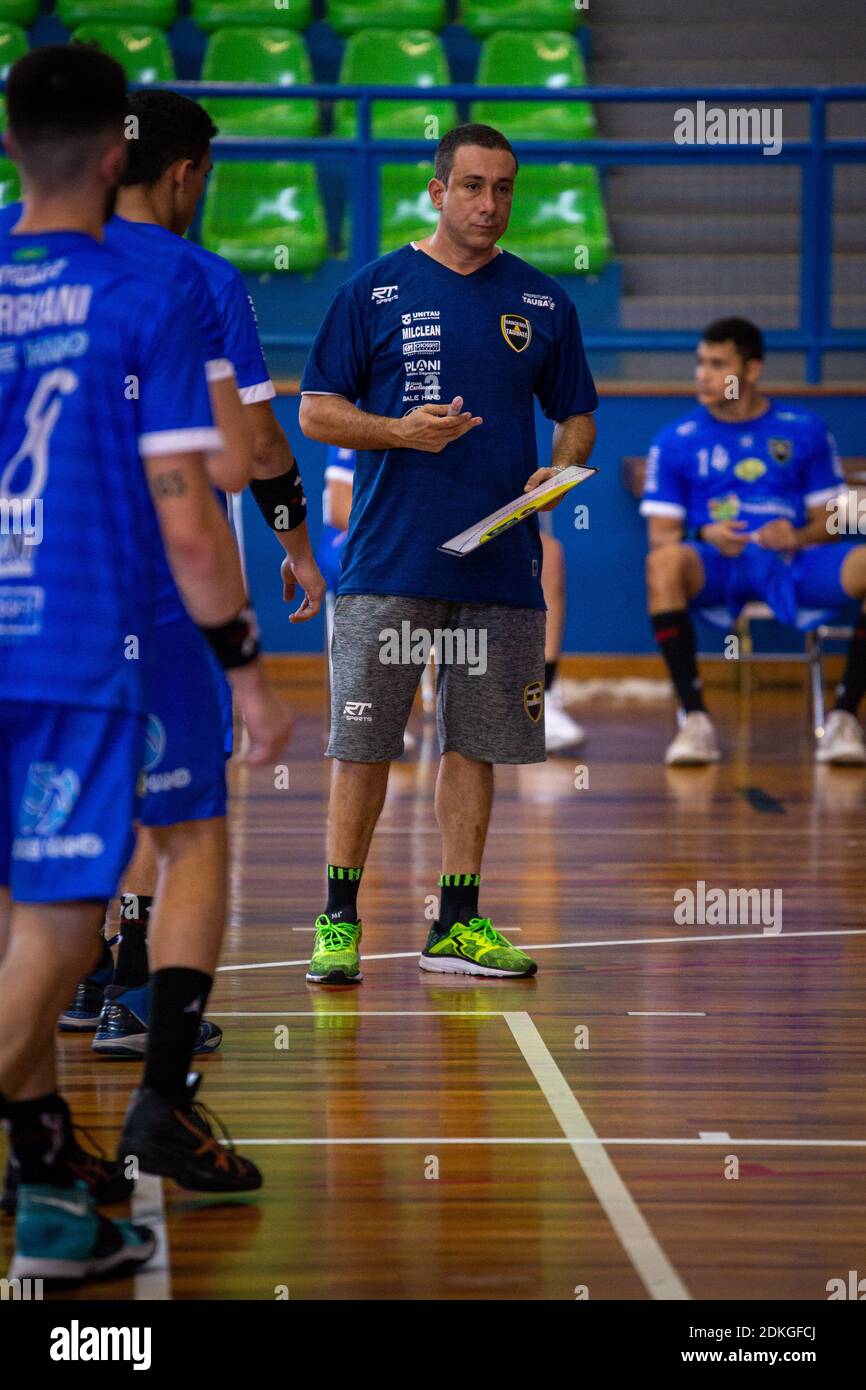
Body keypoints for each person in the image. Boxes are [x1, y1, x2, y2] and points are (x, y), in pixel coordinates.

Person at [0, 46, 288, 1281]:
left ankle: (51, 1170)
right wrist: (244, 664)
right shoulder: (162, 288)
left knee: (26, 919)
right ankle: (149, 1098)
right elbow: (201, 493)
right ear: (127, 160)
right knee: (77, 913)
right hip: (82, 644)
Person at [299, 122, 598, 984]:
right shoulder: (376, 291)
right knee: (363, 744)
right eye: (472, 186)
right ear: (437, 190)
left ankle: (457, 923)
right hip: (390, 561)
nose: (489, 205)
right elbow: (317, 411)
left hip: (499, 566)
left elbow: (577, 410)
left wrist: (566, 462)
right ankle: (338, 921)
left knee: (476, 742)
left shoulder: (544, 303)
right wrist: (397, 431)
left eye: (503, 188)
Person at [641, 316, 866, 765]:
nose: (702, 375)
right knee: (663, 564)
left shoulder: (803, 428)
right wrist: (707, 532)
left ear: (753, 370)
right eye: (700, 362)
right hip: (719, 561)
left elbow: (836, 517)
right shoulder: (676, 439)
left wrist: (797, 533)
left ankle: (844, 718)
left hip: (793, 561)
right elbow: (661, 535)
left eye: (717, 364)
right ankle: (696, 720)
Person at [317, 451, 586, 753]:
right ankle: (373, 706)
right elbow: (342, 508)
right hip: (379, 532)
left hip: (460, 529)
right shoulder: (369, 411)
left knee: (547, 556)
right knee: (400, 563)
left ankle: (540, 699)